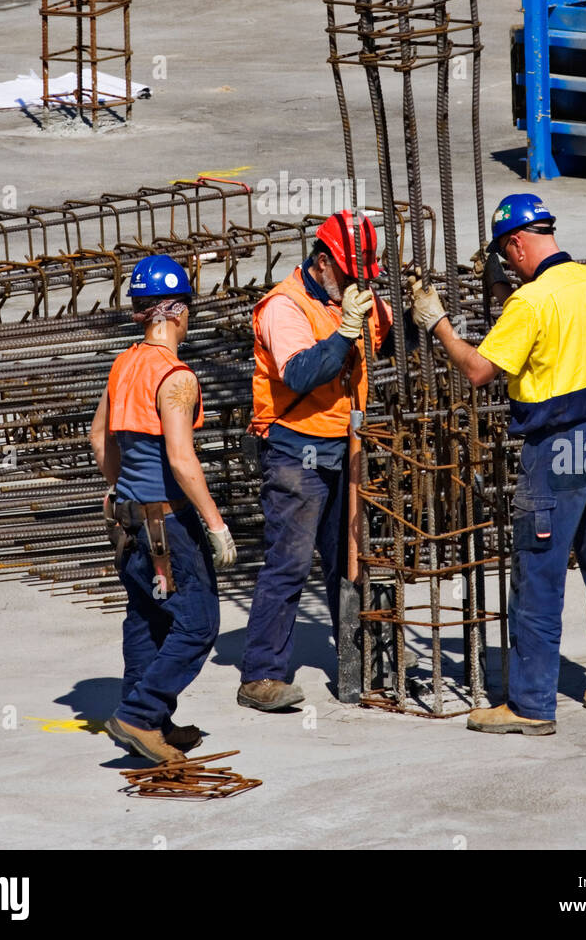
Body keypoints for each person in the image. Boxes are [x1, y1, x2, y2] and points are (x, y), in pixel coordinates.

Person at [409, 193, 586, 736]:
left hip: (559, 446)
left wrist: (438, 323)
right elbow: (560, 337)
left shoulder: (532, 303)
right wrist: (505, 293)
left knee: (538, 574)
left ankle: (531, 705)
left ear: (515, 243)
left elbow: (478, 370)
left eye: (504, 254)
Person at [238, 210, 406, 711]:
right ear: (323, 260)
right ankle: (261, 676)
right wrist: (346, 329)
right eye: (349, 274)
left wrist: (420, 316)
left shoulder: (355, 296)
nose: (357, 285)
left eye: (364, 277)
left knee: (349, 562)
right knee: (288, 563)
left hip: (346, 448)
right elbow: (302, 374)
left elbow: (392, 345)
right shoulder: (283, 307)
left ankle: (361, 663)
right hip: (296, 451)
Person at [90, 254, 237, 763]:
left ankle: (145, 718)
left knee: (148, 616)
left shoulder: (124, 363)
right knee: (197, 624)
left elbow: (99, 438)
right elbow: (181, 459)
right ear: (176, 313)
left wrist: (121, 488)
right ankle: (141, 714)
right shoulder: (176, 377)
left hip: (129, 519)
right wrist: (216, 525)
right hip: (167, 522)